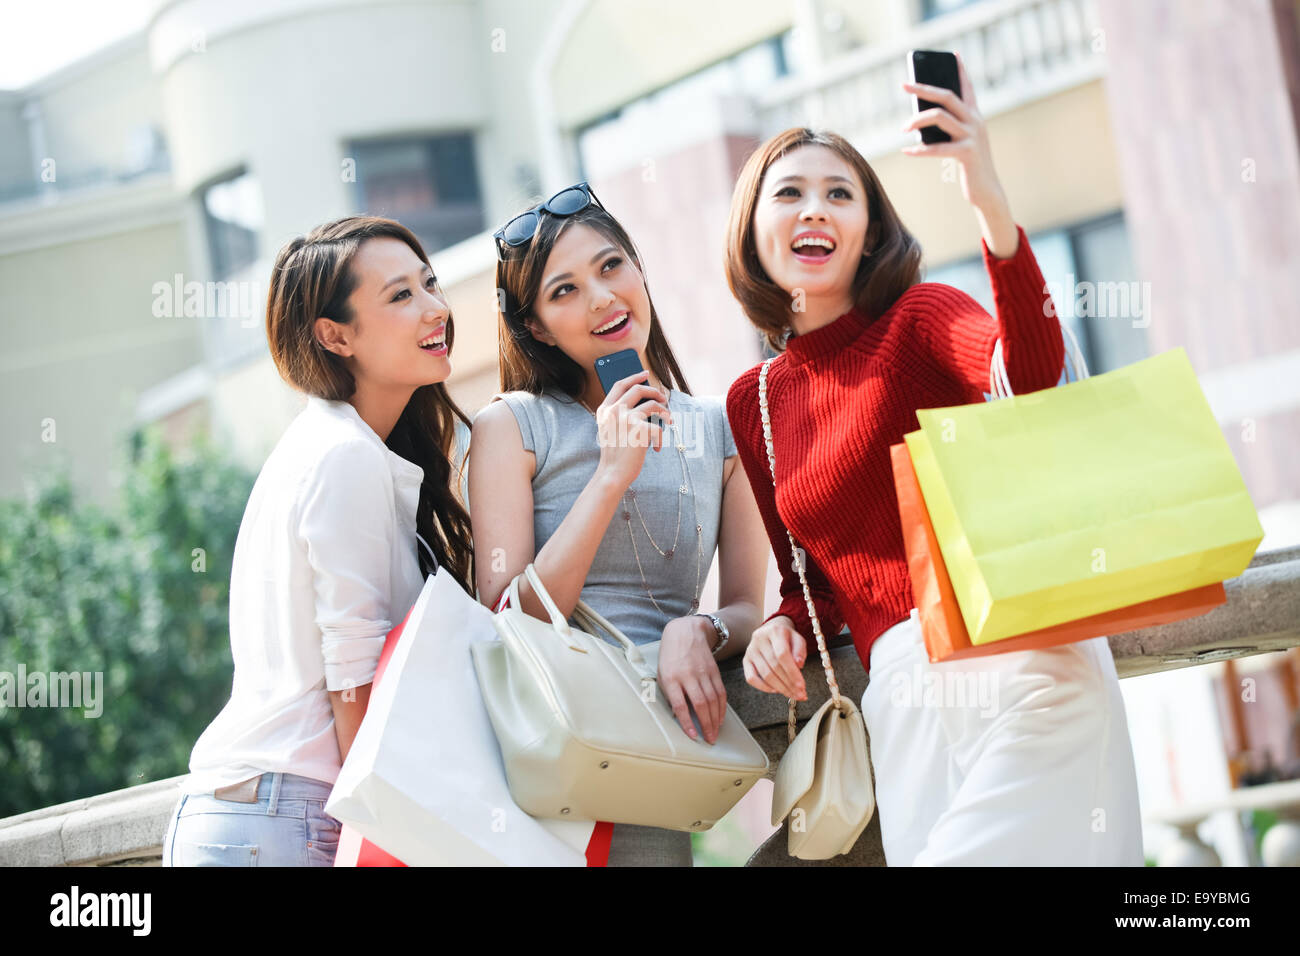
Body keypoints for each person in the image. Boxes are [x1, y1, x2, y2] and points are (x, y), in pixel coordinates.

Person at [722, 56, 1144, 866]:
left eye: (840, 194)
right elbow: (811, 583)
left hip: (1023, 663)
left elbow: (1030, 379)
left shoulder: (920, 317)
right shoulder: (756, 400)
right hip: (903, 700)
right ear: (751, 229)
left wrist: (987, 197)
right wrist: (783, 627)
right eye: (792, 193)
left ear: (870, 230)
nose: (817, 209)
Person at [469, 183, 770, 866]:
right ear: (538, 326)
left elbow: (750, 606)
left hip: (654, 764)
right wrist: (611, 474)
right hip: (550, 770)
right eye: (564, 290)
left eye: (611, 267)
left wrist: (697, 629)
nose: (602, 297)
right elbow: (508, 614)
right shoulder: (512, 427)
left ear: (639, 269)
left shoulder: (720, 431)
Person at [162, 216, 475, 866]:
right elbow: (352, 675)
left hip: (248, 815)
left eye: (429, 284)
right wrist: (397, 830)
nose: (434, 308)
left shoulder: (329, 447)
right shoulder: (343, 456)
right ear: (335, 335)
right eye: (399, 296)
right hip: (286, 816)